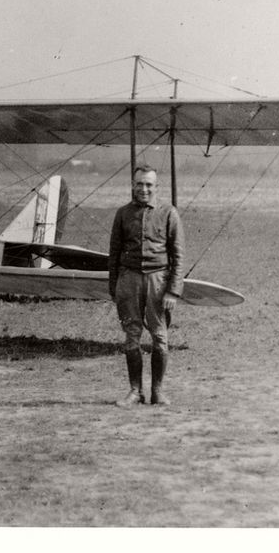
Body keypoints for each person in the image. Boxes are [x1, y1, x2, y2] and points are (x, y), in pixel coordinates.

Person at [108, 165, 185, 407]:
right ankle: (135, 391)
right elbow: (114, 254)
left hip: (158, 280)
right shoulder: (122, 214)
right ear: (133, 185)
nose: (144, 189)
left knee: (160, 337)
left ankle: (158, 391)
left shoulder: (169, 213)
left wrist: (173, 290)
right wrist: (116, 288)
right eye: (139, 184)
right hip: (129, 280)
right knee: (131, 336)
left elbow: (178, 255)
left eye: (149, 184)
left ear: (156, 187)